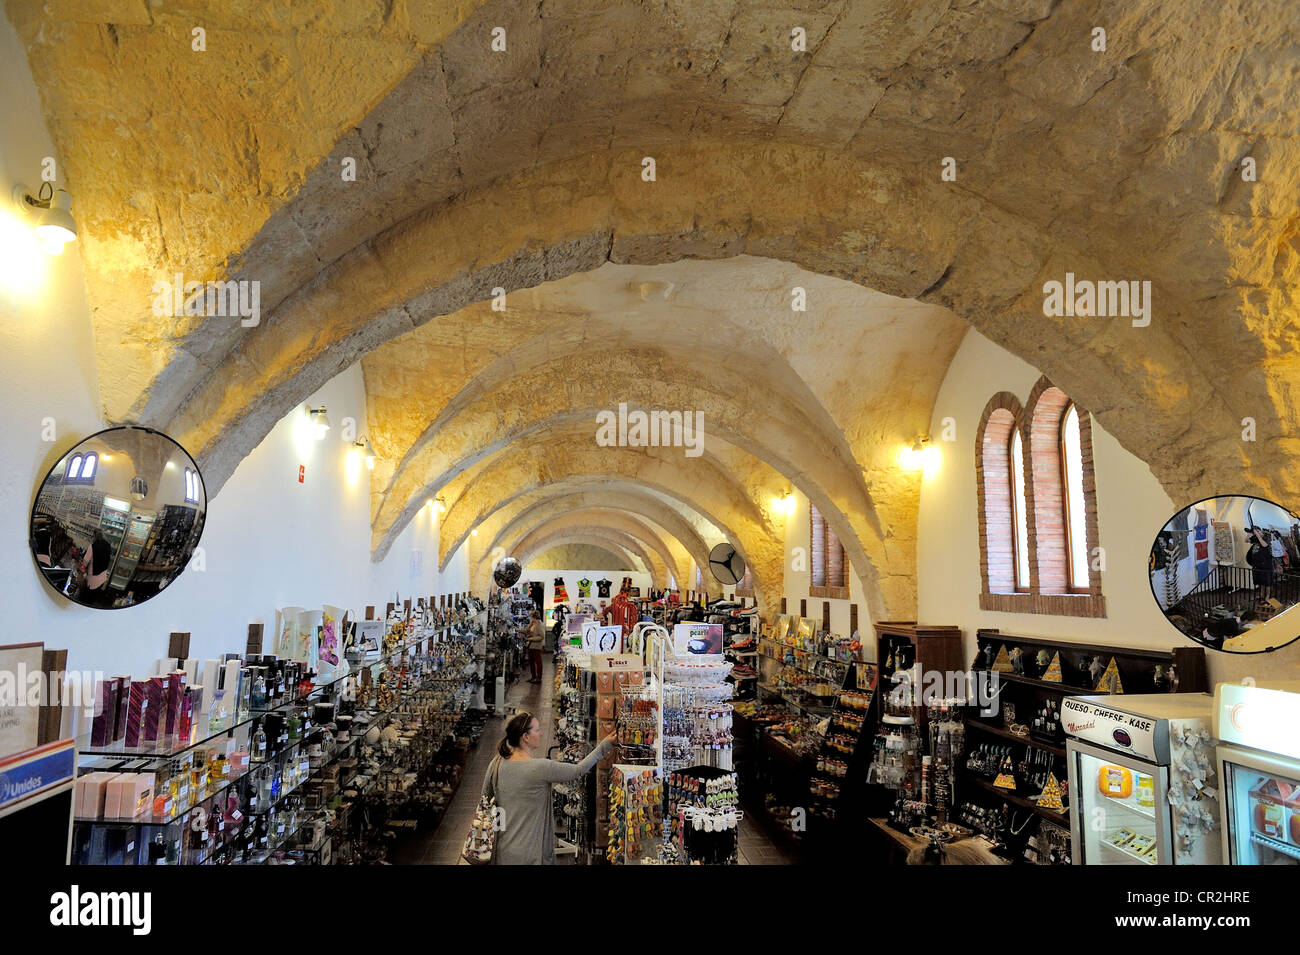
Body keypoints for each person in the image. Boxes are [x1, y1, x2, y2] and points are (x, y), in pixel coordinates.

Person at [482, 712, 615, 865]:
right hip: (531, 853)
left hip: (501, 851)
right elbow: (578, 770)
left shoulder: (496, 764)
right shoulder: (541, 768)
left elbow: (486, 800)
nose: (541, 733)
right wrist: (607, 744)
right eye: (537, 730)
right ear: (525, 736)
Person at [524, 610, 545, 683]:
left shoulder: (539, 625)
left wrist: (531, 639)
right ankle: (533, 677)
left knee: (538, 662)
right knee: (531, 662)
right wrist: (518, 630)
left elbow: (541, 636)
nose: (531, 618)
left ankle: (538, 678)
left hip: (536, 646)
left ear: (534, 617)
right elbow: (527, 631)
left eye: (531, 617)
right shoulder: (532, 624)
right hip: (530, 646)